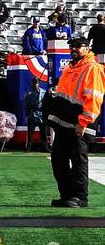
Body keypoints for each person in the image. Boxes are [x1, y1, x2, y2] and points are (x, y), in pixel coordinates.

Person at [45, 36, 104, 207]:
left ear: (87, 48)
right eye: (72, 46)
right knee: (58, 159)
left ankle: (80, 197)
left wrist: (84, 122)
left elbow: (94, 98)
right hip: (64, 123)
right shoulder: (69, 68)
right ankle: (67, 195)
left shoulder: (92, 68)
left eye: (79, 46)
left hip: (80, 125)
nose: (74, 49)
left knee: (78, 161)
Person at [24, 82, 45, 153]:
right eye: (34, 83)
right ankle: (29, 148)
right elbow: (26, 104)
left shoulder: (44, 92)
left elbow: (46, 103)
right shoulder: (29, 94)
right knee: (30, 133)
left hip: (41, 114)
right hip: (32, 114)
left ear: (39, 84)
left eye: (36, 83)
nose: (35, 85)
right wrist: (28, 112)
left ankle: (45, 147)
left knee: (43, 132)